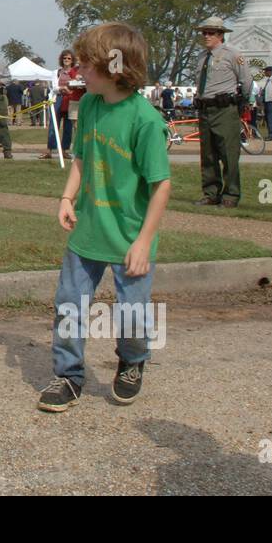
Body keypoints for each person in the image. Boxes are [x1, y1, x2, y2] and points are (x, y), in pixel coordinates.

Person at [37, 22, 171, 414]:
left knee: (131, 316)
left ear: (114, 67)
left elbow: (161, 185)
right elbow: (81, 156)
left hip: (131, 237)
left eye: (86, 65)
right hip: (88, 232)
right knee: (69, 305)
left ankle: (132, 361)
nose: (78, 72)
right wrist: (67, 196)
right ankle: (68, 376)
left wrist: (144, 241)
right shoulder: (91, 104)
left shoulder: (145, 120)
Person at [192, 17, 252, 207]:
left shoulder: (233, 54)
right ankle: (211, 193)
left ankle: (231, 195)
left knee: (228, 153)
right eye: (204, 33)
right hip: (205, 108)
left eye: (210, 33)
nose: (206, 36)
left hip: (224, 108)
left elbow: (246, 81)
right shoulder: (202, 56)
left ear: (220, 35)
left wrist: (243, 102)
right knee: (208, 154)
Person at [41, 50, 79, 159]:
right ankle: (50, 150)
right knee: (53, 125)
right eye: (65, 58)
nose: (66, 60)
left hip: (70, 100)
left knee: (68, 127)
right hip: (57, 99)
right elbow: (54, 87)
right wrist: (63, 88)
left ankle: (64, 150)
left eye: (69, 58)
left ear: (72, 60)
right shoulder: (56, 72)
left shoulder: (75, 72)